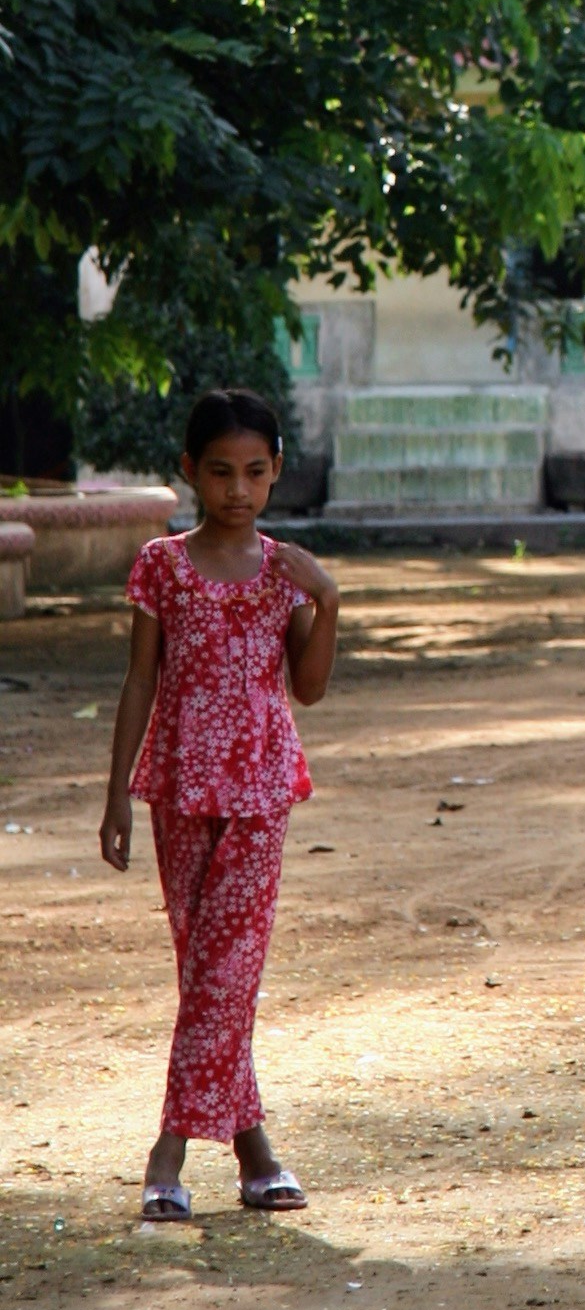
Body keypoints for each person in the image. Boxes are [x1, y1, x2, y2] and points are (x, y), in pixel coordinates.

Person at [98, 387, 340, 1221]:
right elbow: (140, 681)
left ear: (276, 475)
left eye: (255, 472)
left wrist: (329, 602)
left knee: (226, 971)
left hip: (262, 786)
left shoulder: (285, 572)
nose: (238, 489)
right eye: (221, 472)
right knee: (205, 972)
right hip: (176, 783)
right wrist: (116, 796)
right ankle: (254, 1153)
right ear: (190, 472)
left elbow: (307, 689)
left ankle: (167, 1152)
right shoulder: (161, 565)